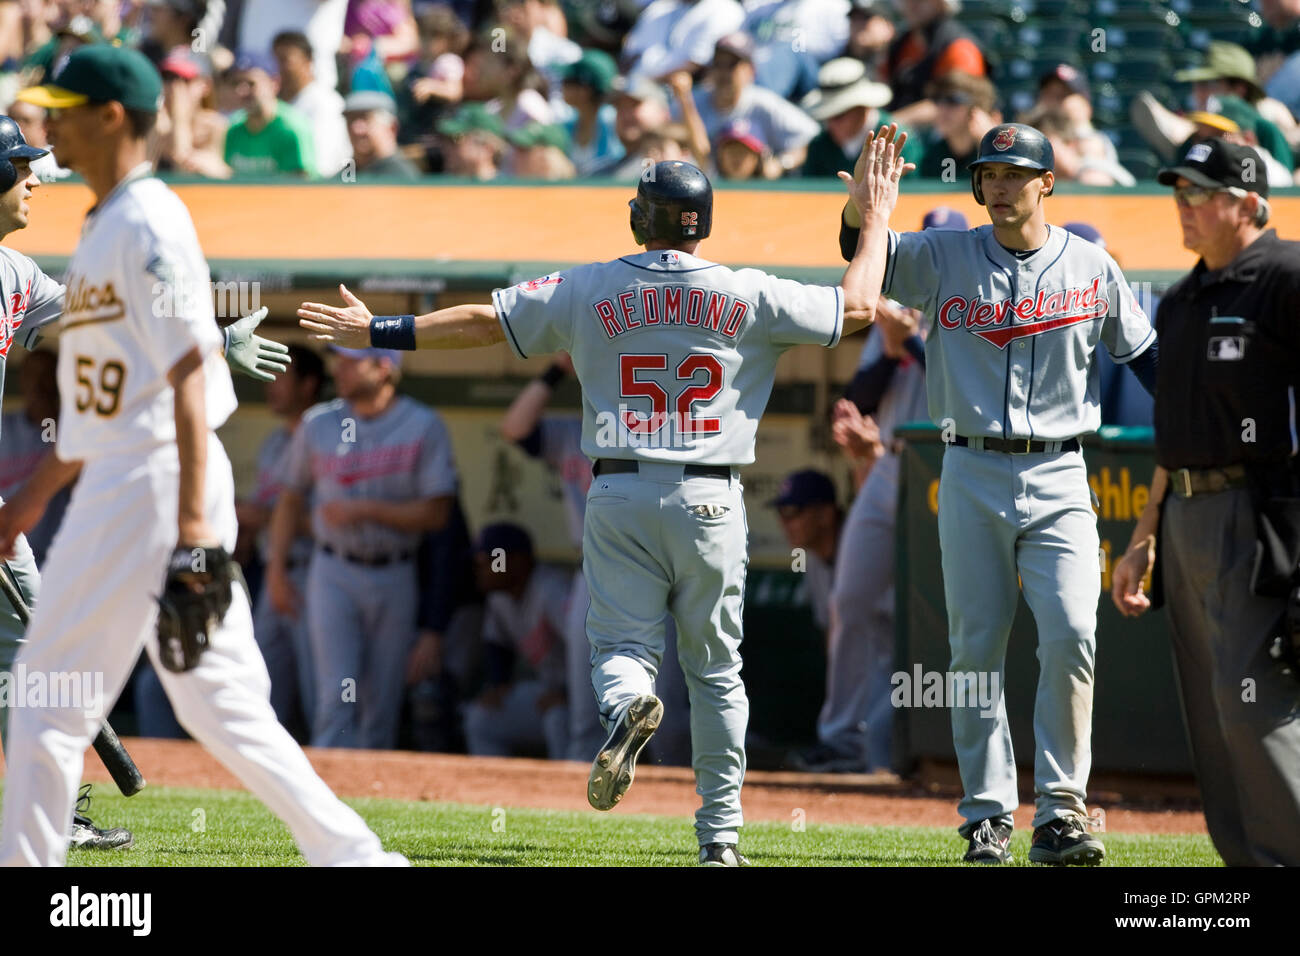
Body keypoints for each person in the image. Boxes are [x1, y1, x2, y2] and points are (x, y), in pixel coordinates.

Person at [296, 134, 910, 865]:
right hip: (712, 497)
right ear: (702, 221)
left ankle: (626, 706)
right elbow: (861, 308)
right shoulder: (747, 290)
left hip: (618, 487)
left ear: (639, 218)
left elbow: (486, 322)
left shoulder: (589, 284)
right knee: (716, 671)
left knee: (619, 649)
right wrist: (872, 218)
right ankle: (719, 841)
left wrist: (380, 330)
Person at [0, 44, 403, 867]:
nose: (48, 139)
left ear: (111, 117)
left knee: (52, 699)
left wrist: (191, 531)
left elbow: (184, 373)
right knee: (206, 701)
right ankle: (361, 861)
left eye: (63, 115)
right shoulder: (105, 222)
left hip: (155, 482)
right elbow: (105, 399)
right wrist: (27, 508)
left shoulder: (149, 218)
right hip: (121, 473)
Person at [837, 122, 1159, 864]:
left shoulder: (1090, 265)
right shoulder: (943, 257)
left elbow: (1149, 362)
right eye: (990, 173)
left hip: (1060, 471)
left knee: (1074, 632)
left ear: (1048, 182)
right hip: (971, 467)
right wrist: (863, 209)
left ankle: (1061, 814)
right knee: (976, 647)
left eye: (1017, 173)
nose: (1002, 184)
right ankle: (987, 816)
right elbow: (862, 257)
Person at [1112, 138, 1300, 866]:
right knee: (1213, 714)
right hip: (1186, 514)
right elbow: (1173, 431)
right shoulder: (1186, 295)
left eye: (1199, 192)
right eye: (1178, 191)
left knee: (1253, 701)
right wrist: (1145, 530)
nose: (1183, 207)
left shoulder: (1284, 276)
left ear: (1249, 203)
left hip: (1261, 512)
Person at [499, 352, 691, 764]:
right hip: (593, 570)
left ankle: (671, 798)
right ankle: (580, 801)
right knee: (587, 702)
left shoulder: (659, 427)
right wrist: (556, 370)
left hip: (654, 569)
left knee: (666, 705)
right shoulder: (572, 431)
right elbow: (514, 428)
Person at [268, 346, 458, 750]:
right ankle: (325, 801)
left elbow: (438, 513)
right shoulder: (319, 423)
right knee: (336, 694)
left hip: (395, 571)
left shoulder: (423, 424)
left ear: (384, 367)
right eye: (339, 359)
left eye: (352, 360)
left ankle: (370, 798)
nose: (340, 368)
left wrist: (368, 510)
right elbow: (289, 499)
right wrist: (276, 570)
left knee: (381, 705)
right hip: (333, 570)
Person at [238, 345, 327, 739]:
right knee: (262, 690)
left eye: (283, 377)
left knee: (319, 695)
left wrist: (266, 517)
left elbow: (328, 522)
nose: (272, 386)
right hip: (274, 573)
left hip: (315, 572)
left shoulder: (330, 434)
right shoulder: (275, 442)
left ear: (308, 385)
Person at [462, 522, 571, 758]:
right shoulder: (500, 597)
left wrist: (569, 694)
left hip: (586, 696)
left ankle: (568, 790)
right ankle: (494, 791)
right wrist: (497, 684)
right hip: (549, 689)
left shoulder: (551, 589)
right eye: (478, 562)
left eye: (490, 560)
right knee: (481, 718)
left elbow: (589, 647)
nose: (481, 568)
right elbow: (496, 644)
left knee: (557, 718)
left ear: (518, 562)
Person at [685, 32, 820, 175]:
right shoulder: (692, 100)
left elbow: (810, 136)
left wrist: (781, 164)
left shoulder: (764, 102)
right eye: (719, 64)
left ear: (751, 70)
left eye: (732, 65)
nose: (724, 72)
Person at [884, 0, 986, 127]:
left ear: (942, 4)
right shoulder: (900, 44)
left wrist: (889, 123)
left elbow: (955, 107)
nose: (912, 4)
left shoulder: (960, 47)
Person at [799, 57, 904, 178]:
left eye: (839, 115)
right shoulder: (819, 147)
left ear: (862, 108)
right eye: (827, 116)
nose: (831, 124)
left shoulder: (899, 145)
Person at [272, 31, 352, 179]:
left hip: (327, 189)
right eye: (275, 60)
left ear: (308, 61)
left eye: (285, 60)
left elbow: (323, 164)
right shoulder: (275, 104)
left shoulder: (326, 102)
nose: (278, 67)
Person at [223, 52, 316, 178]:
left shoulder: (291, 129)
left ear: (274, 83)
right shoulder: (234, 128)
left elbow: (302, 184)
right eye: (236, 83)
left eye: (251, 84)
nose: (241, 91)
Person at [344, 89, 422, 178]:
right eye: (351, 120)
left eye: (366, 119)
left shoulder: (401, 177)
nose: (357, 130)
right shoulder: (347, 174)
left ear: (392, 128)